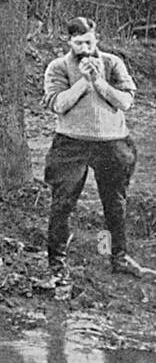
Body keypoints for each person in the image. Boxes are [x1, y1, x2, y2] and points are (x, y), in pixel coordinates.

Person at [40, 16, 149, 289]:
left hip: (112, 142)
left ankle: (119, 257)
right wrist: (84, 83)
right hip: (70, 143)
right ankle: (57, 265)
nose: (85, 48)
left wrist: (100, 82)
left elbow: (125, 101)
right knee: (62, 204)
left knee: (115, 203)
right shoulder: (57, 67)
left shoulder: (113, 63)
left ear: (96, 37)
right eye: (78, 43)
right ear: (69, 42)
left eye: (89, 41)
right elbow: (58, 105)